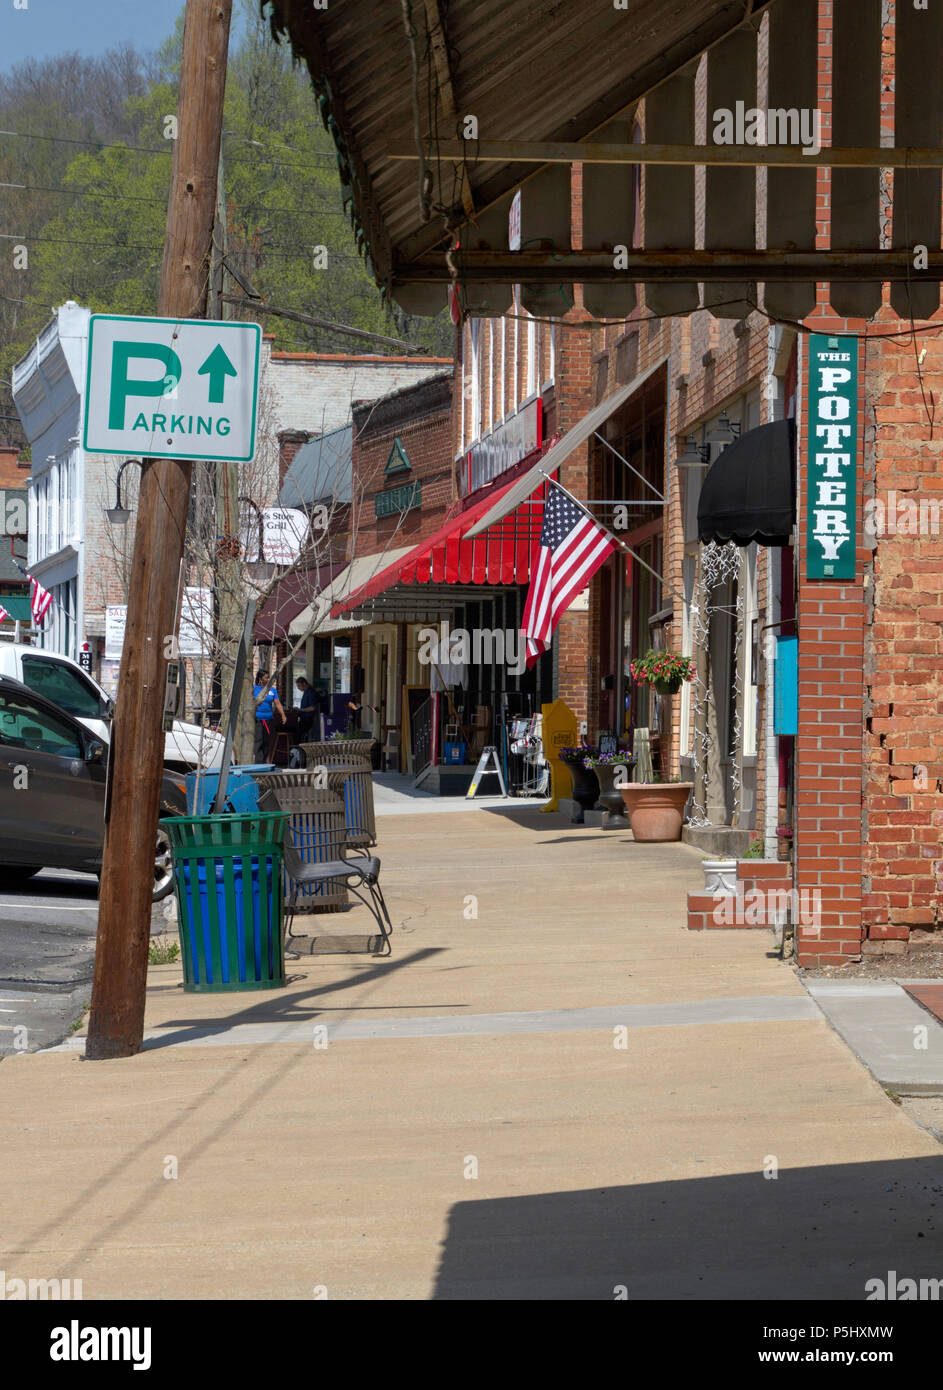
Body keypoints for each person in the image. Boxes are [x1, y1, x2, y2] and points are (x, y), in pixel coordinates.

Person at [253, 670, 286, 762]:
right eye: (266, 677)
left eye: (269, 677)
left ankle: (266, 761)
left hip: (269, 720)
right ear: (260, 678)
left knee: (268, 741)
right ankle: (258, 763)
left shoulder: (272, 690)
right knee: (259, 741)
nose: (268, 679)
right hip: (258, 719)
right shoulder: (254, 689)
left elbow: (277, 703)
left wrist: (283, 715)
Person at [295, 677, 317, 741]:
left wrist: (300, 710)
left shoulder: (310, 692)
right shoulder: (305, 692)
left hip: (308, 720)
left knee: (298, 733)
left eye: (299, 686)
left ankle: (297, 749)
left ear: (304, 683)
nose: (298, 688)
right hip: (303, 718)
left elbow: (312, 708)